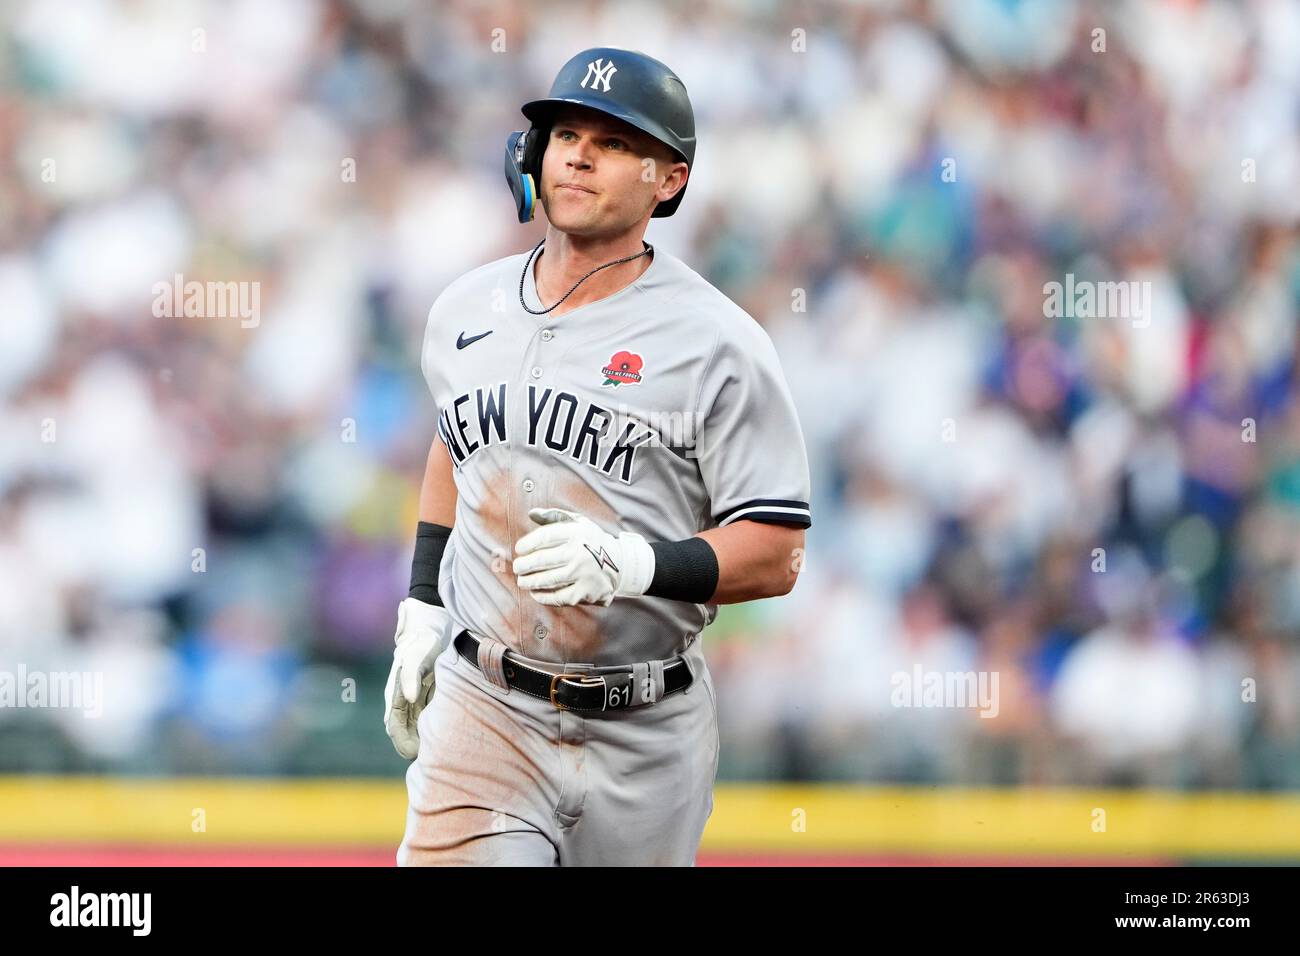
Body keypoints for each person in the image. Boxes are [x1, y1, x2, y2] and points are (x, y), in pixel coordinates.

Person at [384, 47, 812, 866]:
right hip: (486, 707)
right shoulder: (464, 308)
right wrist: (423, 603)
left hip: (646, 730)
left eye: (615, 142)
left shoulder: (718, 343)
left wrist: (632, 565)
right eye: (565, 134)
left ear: (669, 179)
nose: (578, 154)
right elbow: (457, 445)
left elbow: (776, 548)